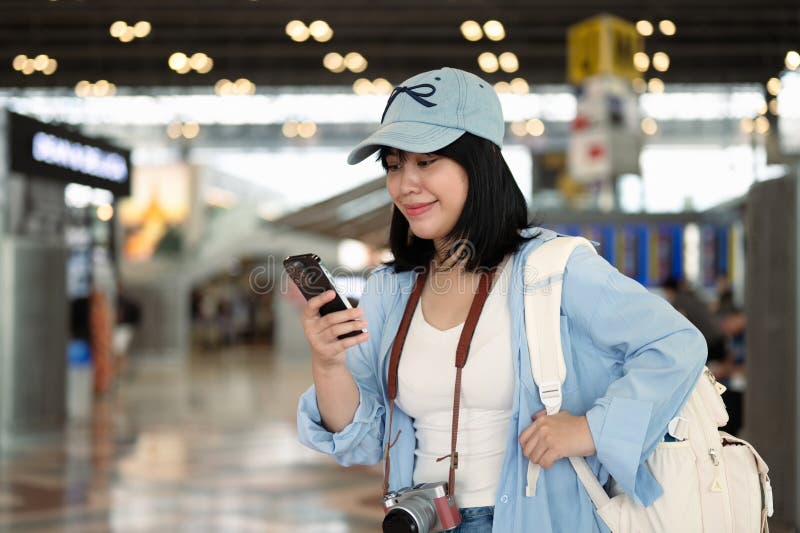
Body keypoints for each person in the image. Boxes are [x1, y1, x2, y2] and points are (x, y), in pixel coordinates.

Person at [296, 67, 706, 532]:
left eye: (426, 161)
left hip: (536, 518)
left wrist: (588, 430)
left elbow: (675, 343)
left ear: (480, 162)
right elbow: (362, 439)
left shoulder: (552, 269)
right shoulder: (391, 289)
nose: (405, 183)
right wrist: (328, 364)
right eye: (394, 164)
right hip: (422, 519)